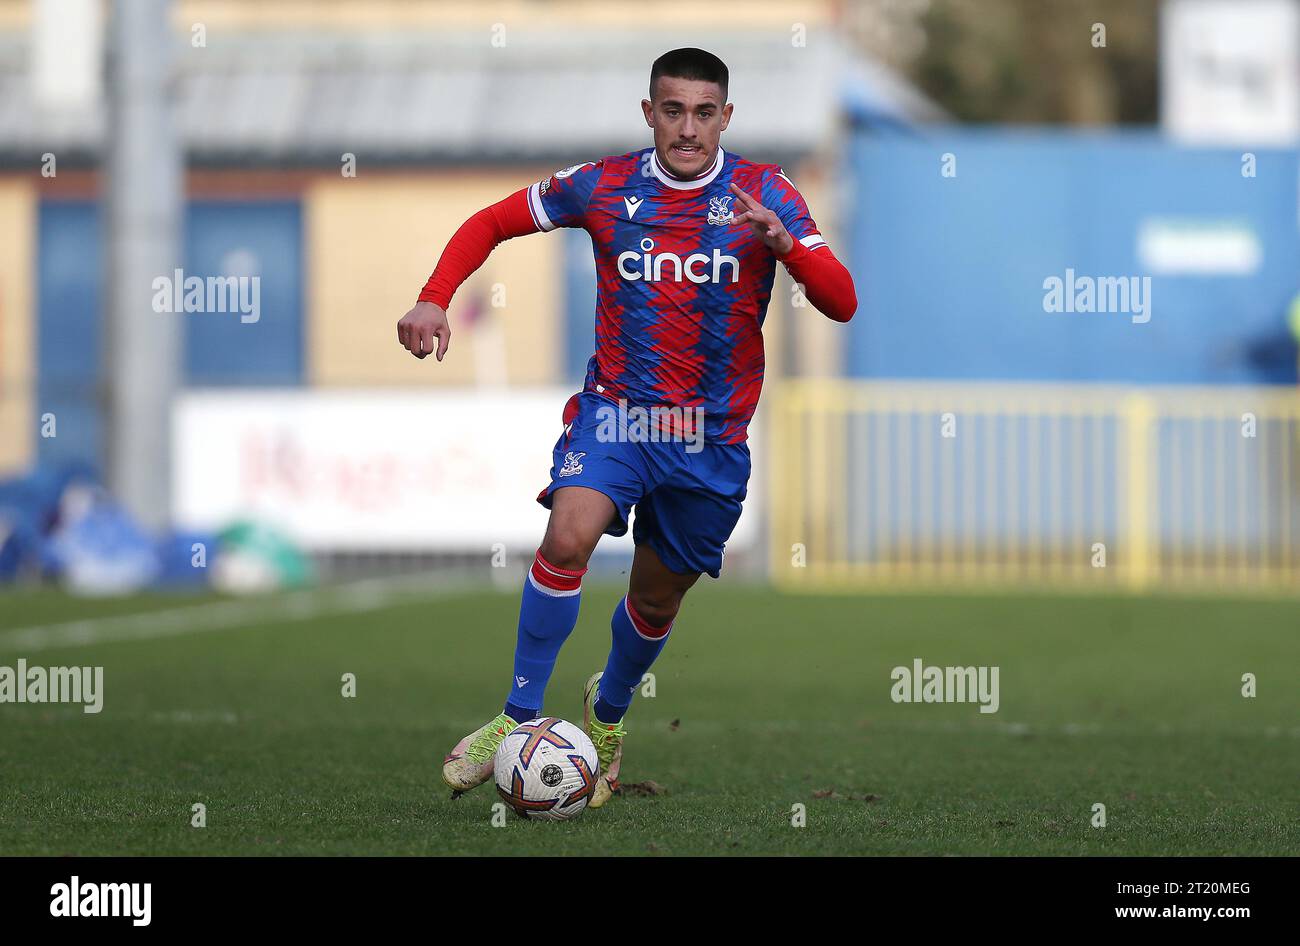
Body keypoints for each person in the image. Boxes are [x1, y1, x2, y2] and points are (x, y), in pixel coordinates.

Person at [397, 47, 857, 808]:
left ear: (725, 118)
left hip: (710, 440)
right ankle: (512, 721)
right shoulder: (605, 186)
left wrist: (785, 246)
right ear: (649, 114)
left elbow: (841, 301)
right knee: (568, 536)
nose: (687, 128)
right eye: (672, 110)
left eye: (704, 113)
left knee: (653, 602)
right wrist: (434, 295)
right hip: (619, 413)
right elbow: (491, 220)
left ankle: (606, 714)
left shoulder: (766, 194)